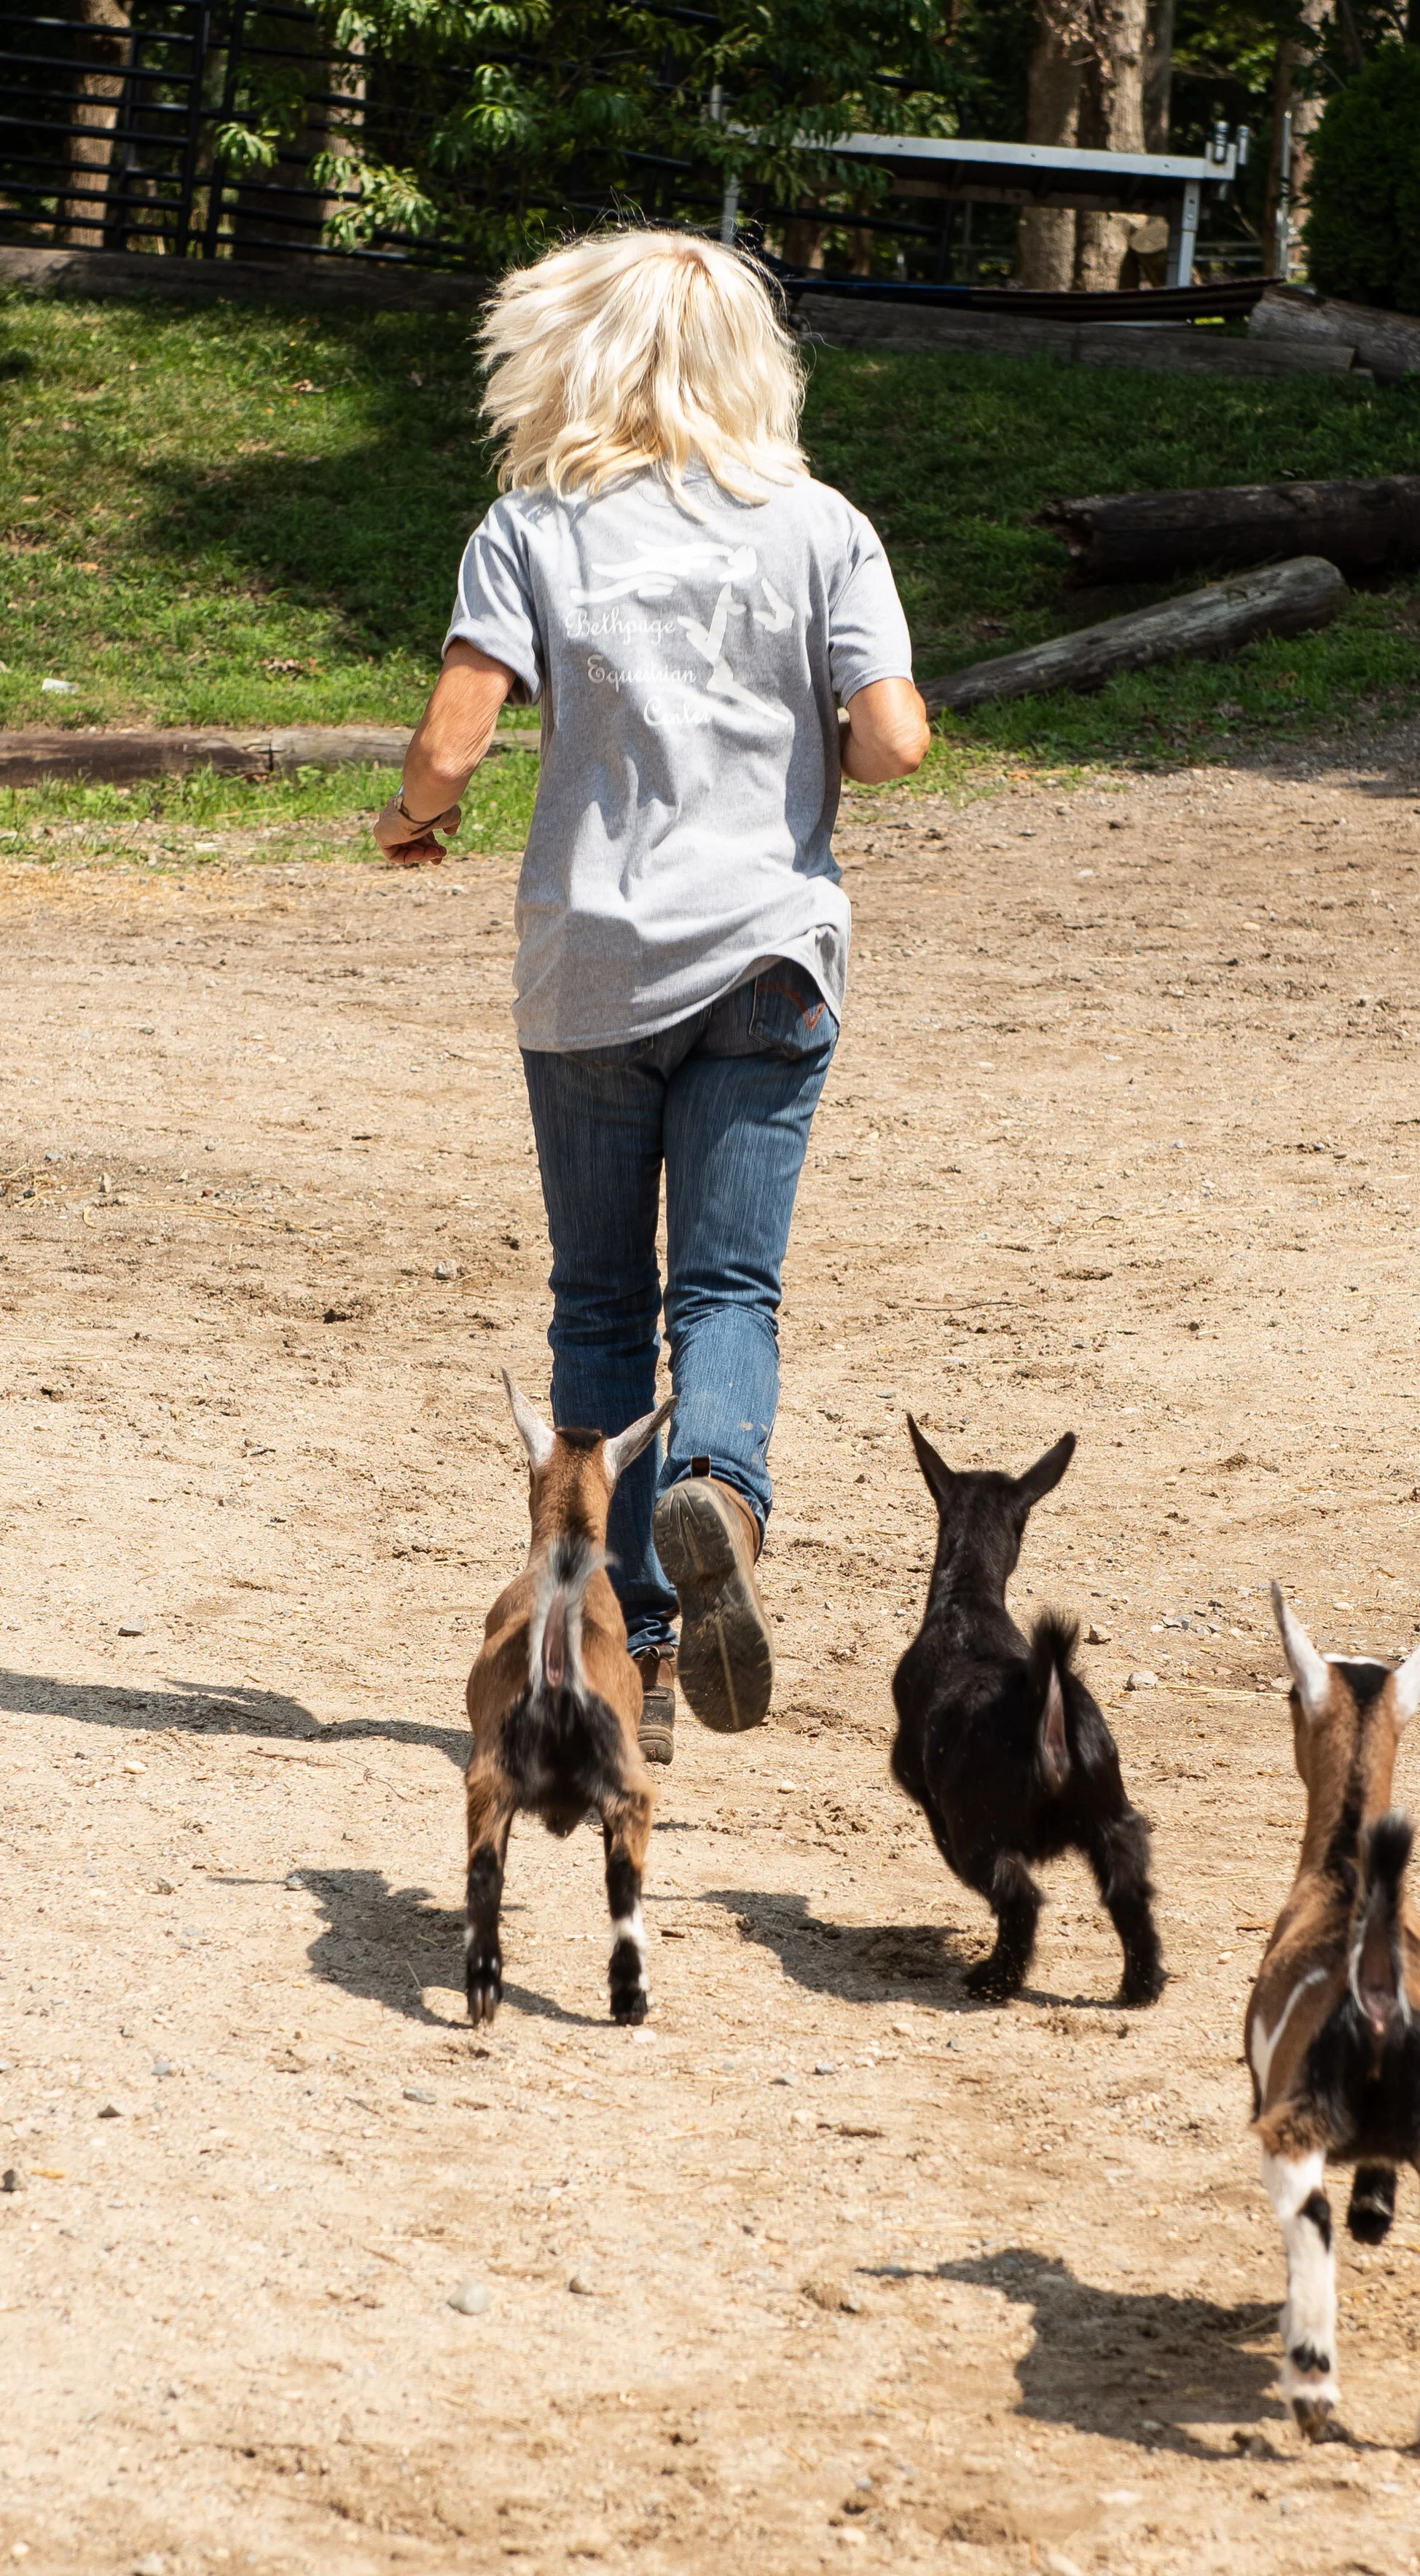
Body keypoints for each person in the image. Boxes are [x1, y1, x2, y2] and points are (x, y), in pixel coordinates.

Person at [374, 228, 928, 1764]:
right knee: (728, 1295)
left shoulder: (532, 527)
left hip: (592, 970)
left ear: (567, 359)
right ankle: (725, 1498)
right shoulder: (822, 527)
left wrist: (411, 821)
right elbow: (891, 741)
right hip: (768, 957)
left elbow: (449, 744)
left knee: (602, 1302)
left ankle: (636, 1652)